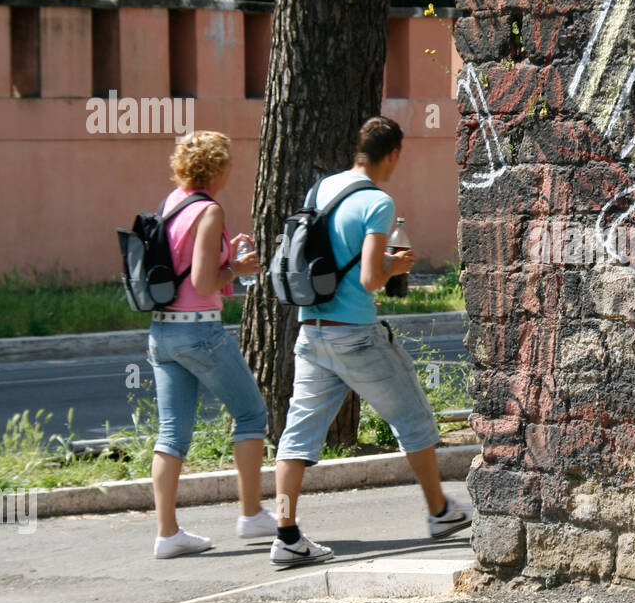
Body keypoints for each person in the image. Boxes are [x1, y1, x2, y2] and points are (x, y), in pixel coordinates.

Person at [271, 116, 472, 565]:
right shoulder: (378, 203)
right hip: (356, 335)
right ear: (393, 154)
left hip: (311, 331)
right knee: (414, 416)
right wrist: (396, 267)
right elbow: (368, 278)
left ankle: (285, 534)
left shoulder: (320, 189)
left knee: (296, 439)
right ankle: (440, 510)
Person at [148, 130, 279, 558]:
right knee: (251, 413)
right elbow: (205, 281)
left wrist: (229, 257)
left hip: (163, 331)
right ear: (218, 167)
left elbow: (185, 265)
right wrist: (237, 268)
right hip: (200, 330)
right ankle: (251, 513)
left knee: (172, 434)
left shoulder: (172, 204)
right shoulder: (209, 211)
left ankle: (167, 535)